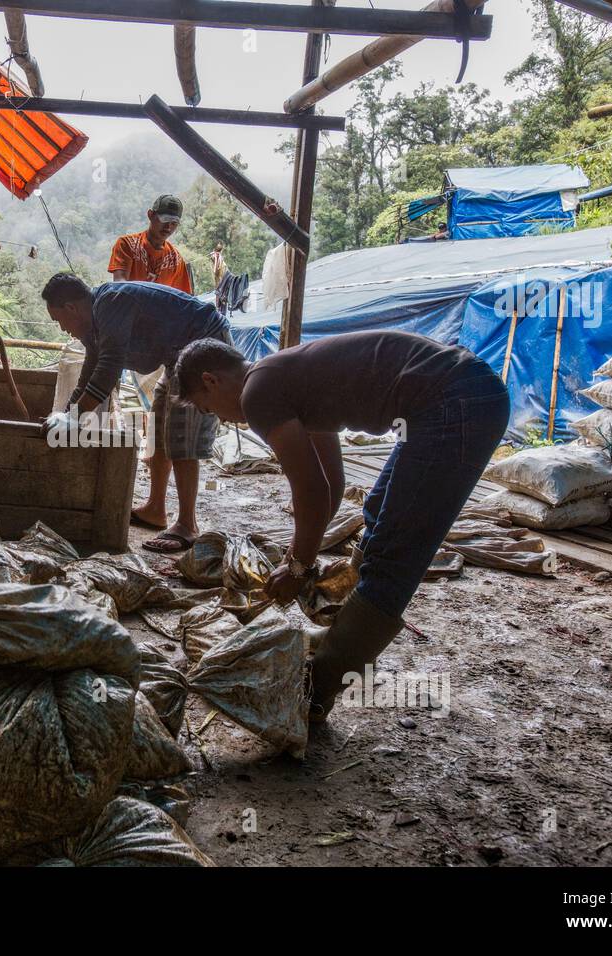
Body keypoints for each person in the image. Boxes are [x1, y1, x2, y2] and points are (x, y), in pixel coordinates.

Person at [173, 332, 510, 719]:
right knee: (380, 511)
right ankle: (345, 630)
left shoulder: (257, 392)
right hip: (457, 389)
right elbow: (331, 487)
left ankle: (315, 692)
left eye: (209, 408)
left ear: (211, 381)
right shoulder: (282, 375)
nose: (222, 417)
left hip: (454, 401)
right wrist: (299, 558)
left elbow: (313, 491)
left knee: (394, 555)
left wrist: (299, 566)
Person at [41, 273, 230, 552]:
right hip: (176, 356)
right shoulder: (95, 325)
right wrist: (68, 413)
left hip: (203, 345)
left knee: (181, 432)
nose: (62, 329)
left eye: (59, 321)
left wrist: (74, 419)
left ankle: (188, 525)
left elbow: (109, 366)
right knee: (159, 426)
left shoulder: (110, 303)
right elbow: (90, 370)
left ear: (72, 308)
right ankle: (155, 508)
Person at [108, 194, 193, 293]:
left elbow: (182, 298)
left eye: (174, 223)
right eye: (164, 219)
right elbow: (120, 287)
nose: (168, 227)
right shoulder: (126, 245)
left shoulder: (176, 260)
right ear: (150, 215)